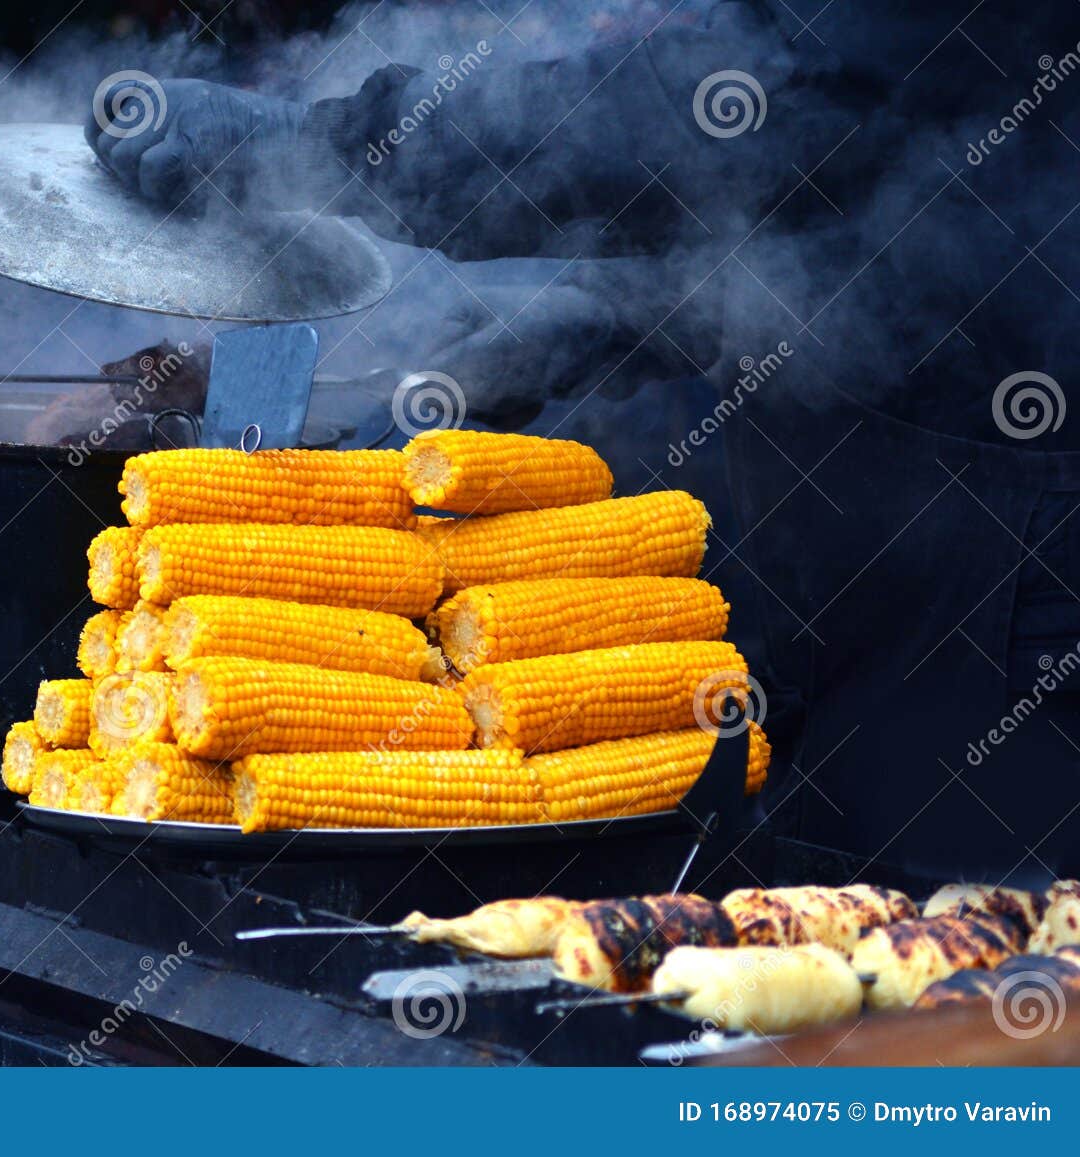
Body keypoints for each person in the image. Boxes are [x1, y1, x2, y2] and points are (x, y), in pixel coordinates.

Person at [88, 1, 1080, 879]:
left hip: (993, 545)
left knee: (952, 965)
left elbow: (780, 107)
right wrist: (631, 310)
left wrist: (329, 145)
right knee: (796, 930)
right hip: (839, 491)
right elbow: (873, 192)